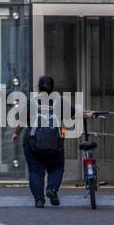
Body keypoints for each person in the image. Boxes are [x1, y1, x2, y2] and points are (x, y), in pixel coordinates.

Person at [13, 74, 73, 207]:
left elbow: (21, 121)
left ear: (38, 88)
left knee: (35, 171)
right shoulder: (59, 102)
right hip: (55, 144)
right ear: (53, 88)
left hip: (33, 143)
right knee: (57, 168)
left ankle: (39, 200)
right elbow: (75, 114)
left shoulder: (32, 102)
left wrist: (16, 134)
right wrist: (89, 114)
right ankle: (51, 189)